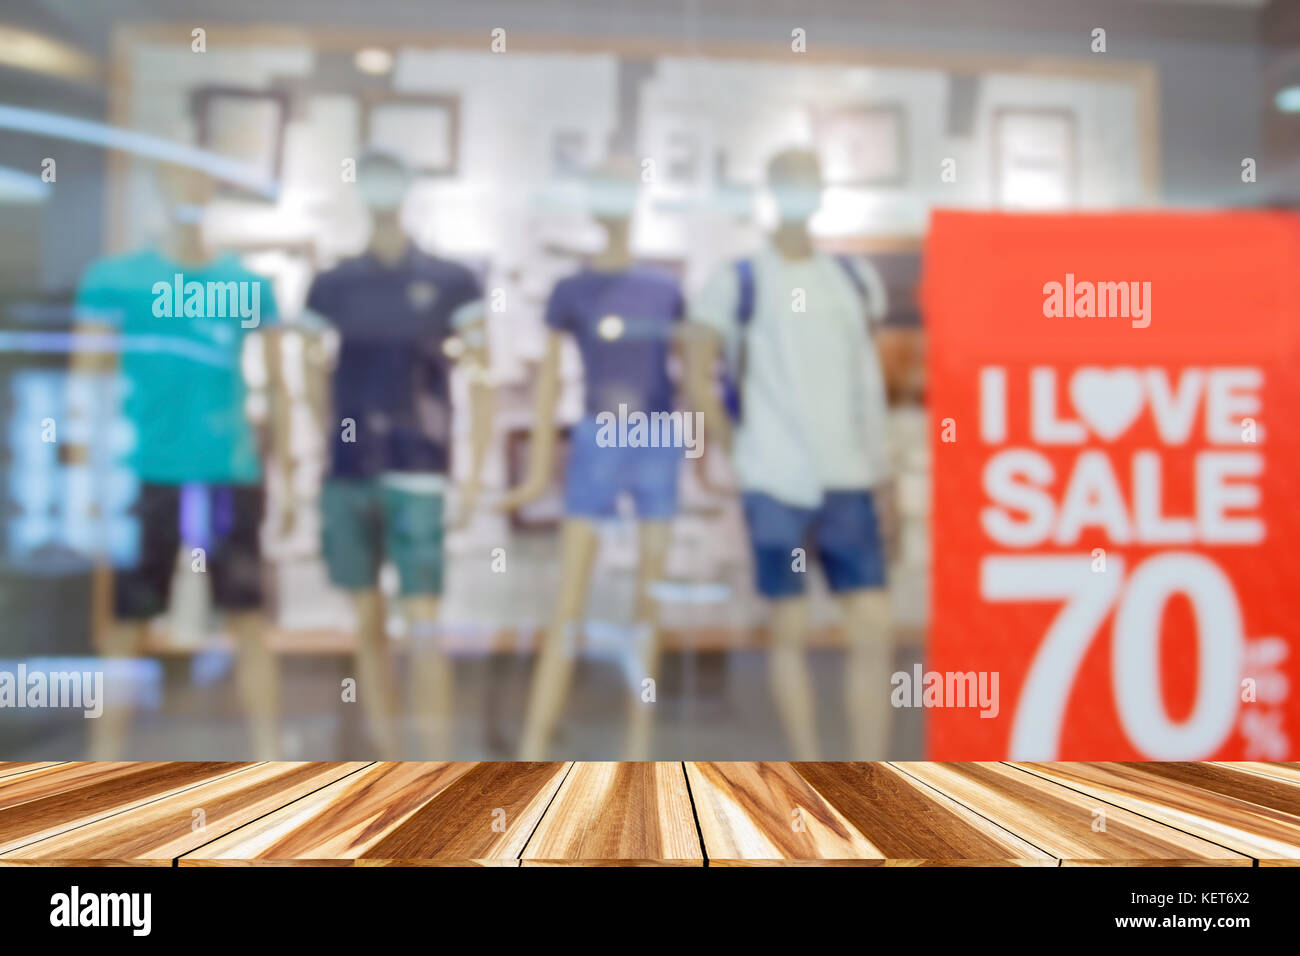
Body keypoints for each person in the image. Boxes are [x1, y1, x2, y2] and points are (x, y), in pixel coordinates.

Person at [684, 146, 896, 760]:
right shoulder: (739, 280)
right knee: (790, 628)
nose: (803, 188)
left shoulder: (854, 279)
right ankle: (808, 770)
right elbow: (699, 374)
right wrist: (740, 453)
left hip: (849, 476)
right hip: (776, 477)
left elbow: (865, 379)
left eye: (812, 177)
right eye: (791, 179)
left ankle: (871, 774)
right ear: (773, 188)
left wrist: (881, 473)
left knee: (874, 627)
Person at [72, 160, 284, 760]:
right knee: (126, 625)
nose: (186, 191)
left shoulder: (247, 285)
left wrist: (288, 478)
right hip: (145, 475)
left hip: (230, 473)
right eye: (174, 179)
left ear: (212, 191)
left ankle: (273, 768)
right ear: (157, 189)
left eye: (198, 180)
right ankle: (98, 777)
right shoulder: (116, 279)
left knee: (247, 621)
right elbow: (86, 385)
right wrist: (88, 480)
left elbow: (279, 388)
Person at [305, 150, 493, 759]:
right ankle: (386, 765)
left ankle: (433, 773)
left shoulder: (451, 279)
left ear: (410, 186)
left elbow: (482, 371)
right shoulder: (333, 283)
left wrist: (471, 472)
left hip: (420, 464)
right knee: (366, 622)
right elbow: (308, 359)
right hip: (350, 466)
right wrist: (326, 429)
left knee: (425, 625)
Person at [501, 157, 685, 760]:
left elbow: (685, 374)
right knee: (570, 597)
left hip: (657, 438)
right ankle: (533, 743)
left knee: (648, 598)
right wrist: (533, 475)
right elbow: (551, 382)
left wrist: (705, 455)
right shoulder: (571, 290)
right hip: (598, 437)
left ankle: (639, 746)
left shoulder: (664, 289)